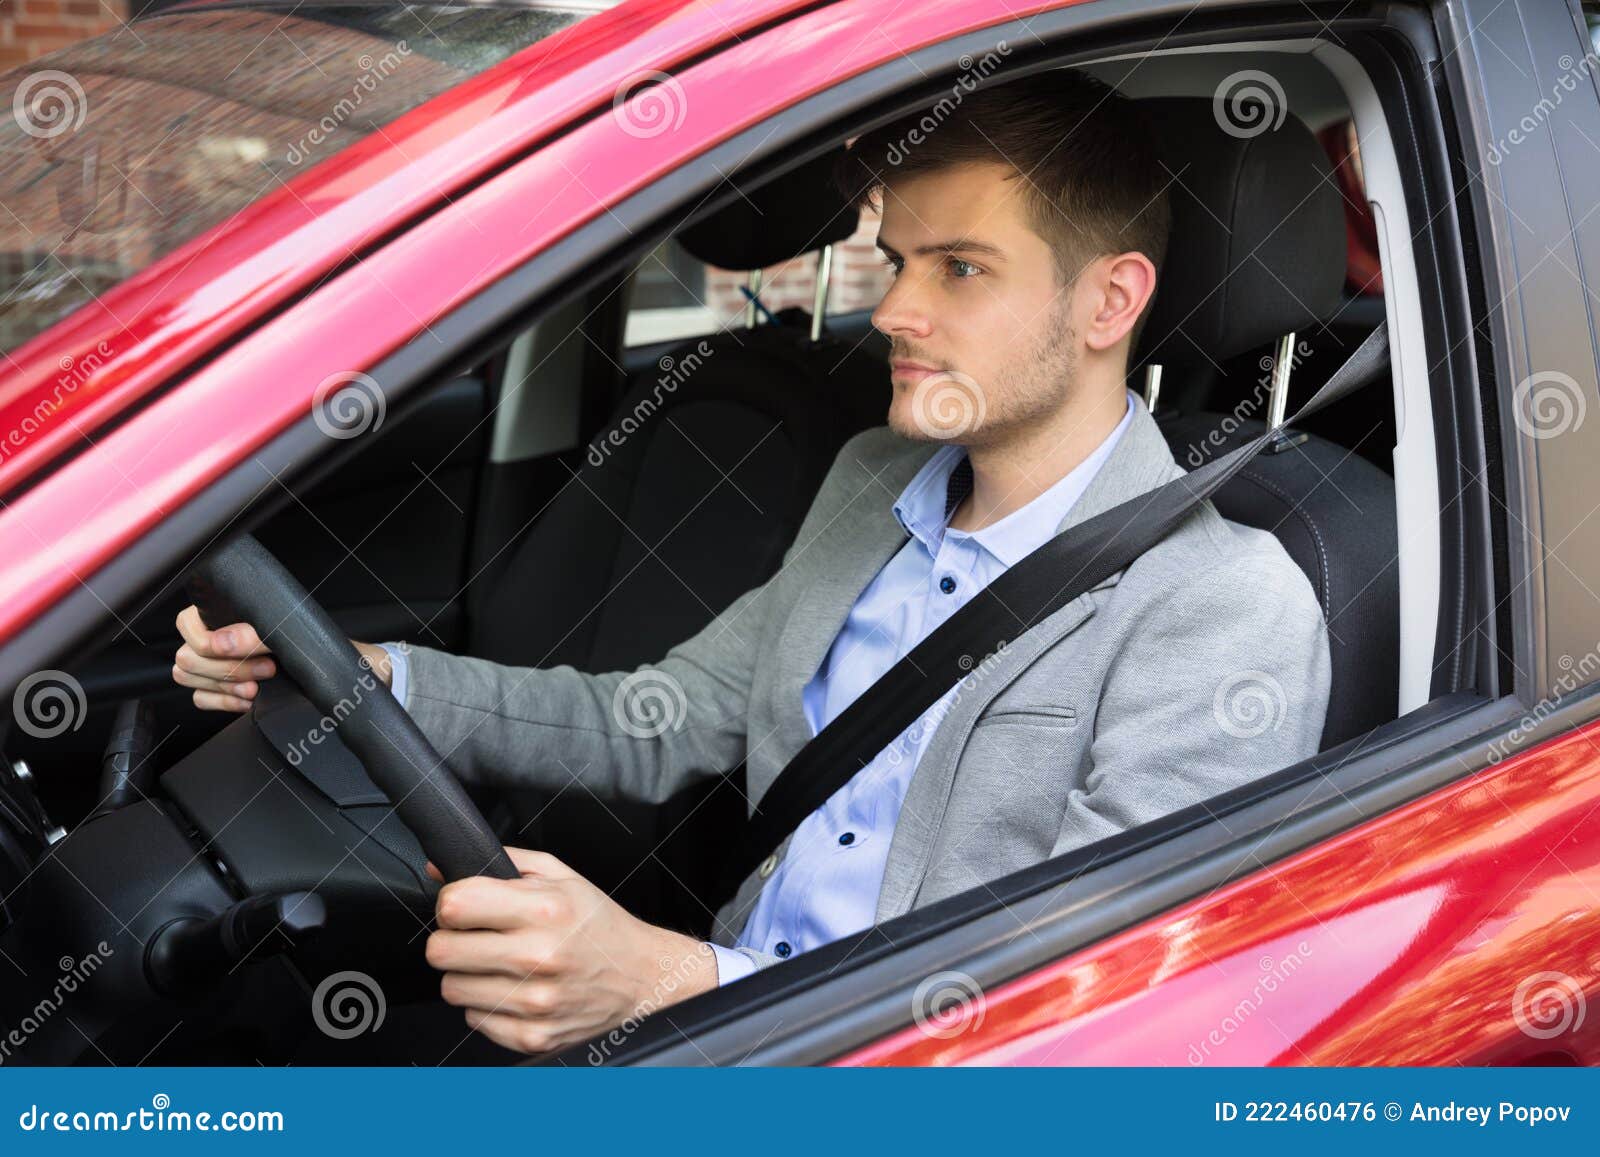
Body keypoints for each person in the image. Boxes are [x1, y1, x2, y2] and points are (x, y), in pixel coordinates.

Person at [171, 70, 1331, 1056]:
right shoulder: (871, 483)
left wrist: (660, 983)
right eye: (896, 260)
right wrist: (370, 675)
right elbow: (652, 719)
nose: (894, 311)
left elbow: (1090, 1035)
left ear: (1107, 300)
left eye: (960, 269)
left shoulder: (1224, 609)